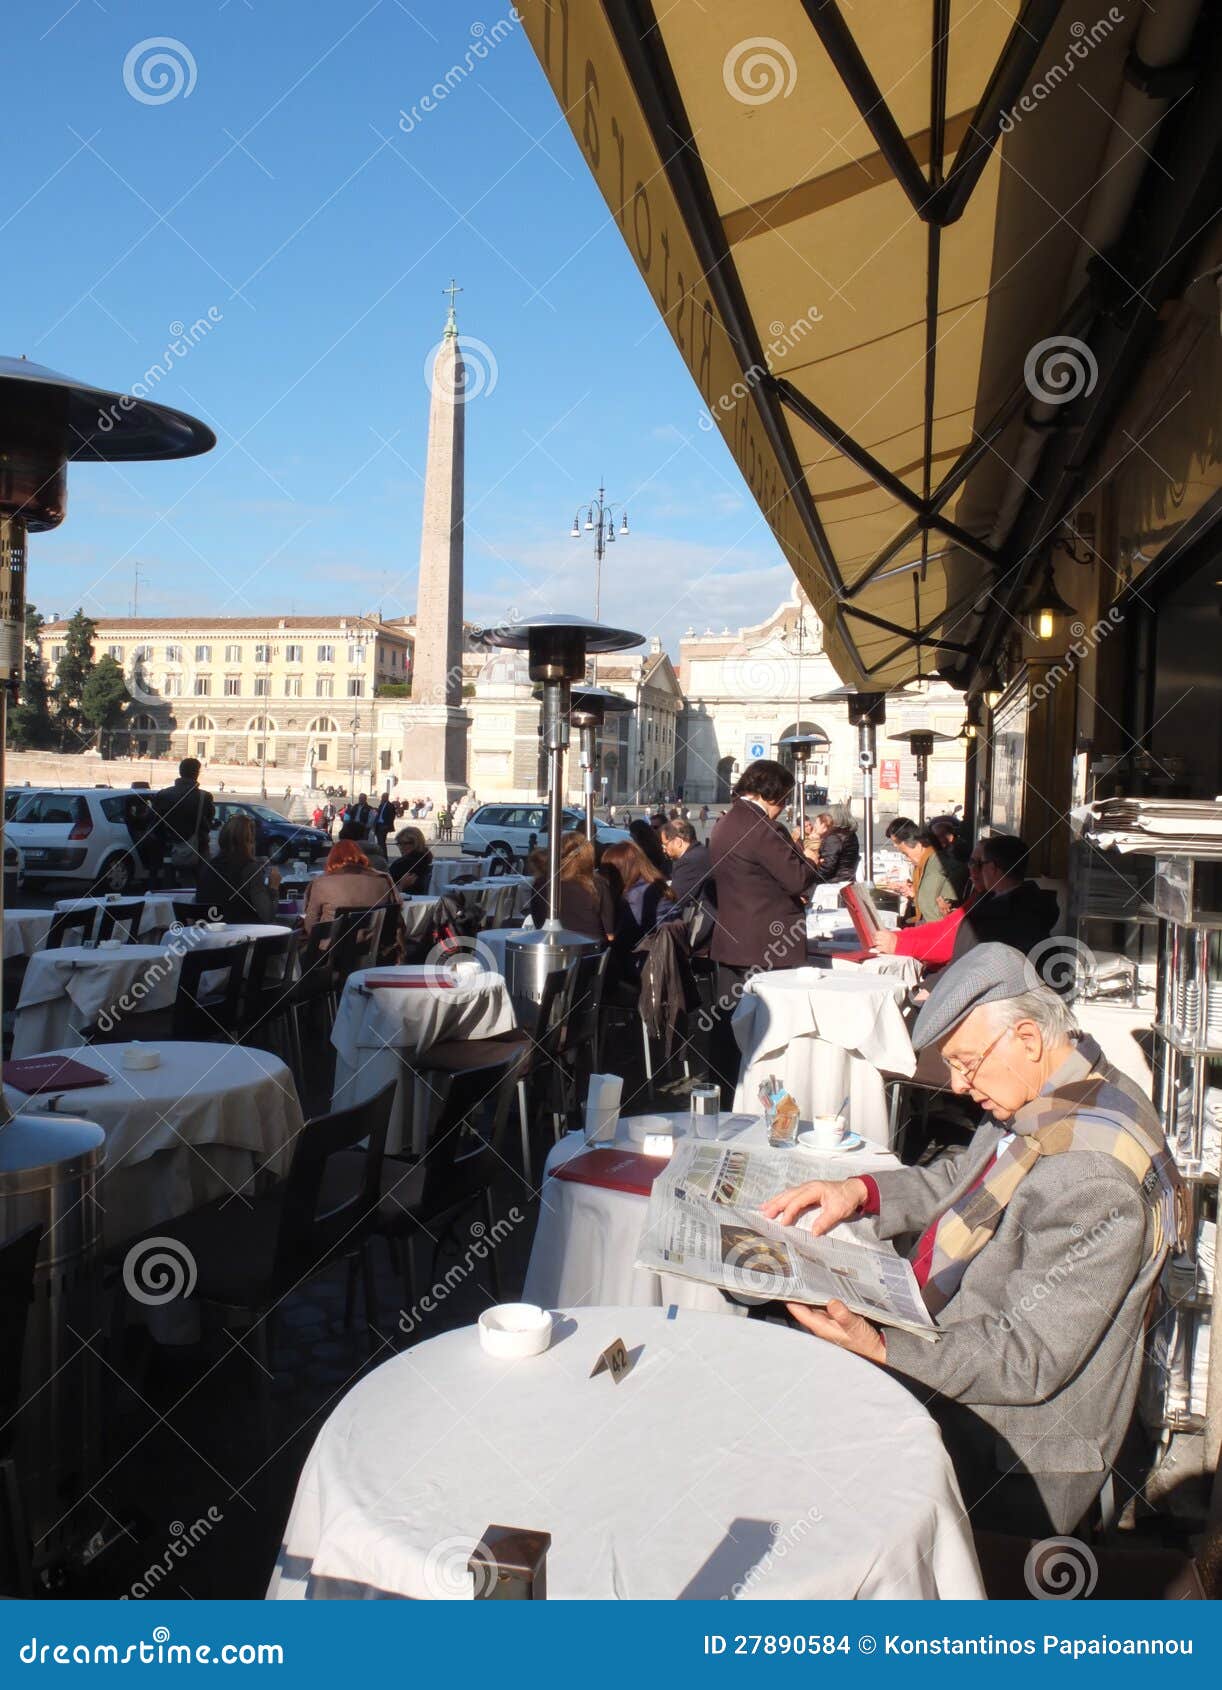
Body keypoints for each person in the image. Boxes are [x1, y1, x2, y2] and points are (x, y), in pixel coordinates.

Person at [761, 944, 1183, 1537]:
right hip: (958, 1340)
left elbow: (1026, 1360)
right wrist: (860, 1191)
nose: (958, 1085)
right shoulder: (1064, 1087)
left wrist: (882, 1345)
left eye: (966, 1061)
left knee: (795, 1442)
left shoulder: (1091, 1177)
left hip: (1011, 1448)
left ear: (1029, 1039)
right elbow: (967, 1176)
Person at [707, 759, 819, 1100]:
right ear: (774, 794)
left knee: (729, 1025)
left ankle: (723, 1096)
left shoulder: (726, 822)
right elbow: (797, 878)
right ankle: (760, 1100)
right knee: (765, 1033)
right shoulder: (760, 827)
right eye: (784, 800)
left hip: (732, 940)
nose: (783, 809)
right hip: (767, 945)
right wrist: (810, 859)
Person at [874, 833, 1059, 969]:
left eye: (979, 863)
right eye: (971, 863)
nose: (973, 871)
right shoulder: (996, 899)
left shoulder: (1004, 909)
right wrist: (899, 937)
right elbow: (947, 928)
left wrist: (898, 944)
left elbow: (954, 945)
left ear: (993, 868)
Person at [526, 833, 617, 942]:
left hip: (553, 946)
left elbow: (539, 923)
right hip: (591, 950)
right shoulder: (597, 884)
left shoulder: (543, 883)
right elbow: (609, 931)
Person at [302, 839, 400, 938]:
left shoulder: (321, 883)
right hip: (374, 946)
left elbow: (311, 925)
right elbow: (393, 918)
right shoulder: (383, 881)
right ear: (361, 856)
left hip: (330, 947)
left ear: (331, 859)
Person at [197, 814, 280, 924]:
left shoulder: (209, 866)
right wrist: (273, 887)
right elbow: (268, 916)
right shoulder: (250, 869)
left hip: (209, 934)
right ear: (249, 842)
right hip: (243, 935)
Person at [148, 757, 215, 890]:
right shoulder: (205, 797)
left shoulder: (163, 795)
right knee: (201, 888)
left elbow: (154, 824)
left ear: (180, 772)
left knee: (169, 889)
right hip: (199, 849)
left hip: (170, 849)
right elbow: (208, 823)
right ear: (197, 773)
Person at [888, 820, 967, 922]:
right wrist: (913, 892)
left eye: (906, 854)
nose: (907, 859)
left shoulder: (935, 868)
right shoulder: (928, 864)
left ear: (918, 846)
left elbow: (931, 913)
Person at [807, 809, 859, 884]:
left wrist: (812, 880)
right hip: (846, 878)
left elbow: (828, 866)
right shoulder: (850, 834)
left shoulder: (833, 838)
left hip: (835, 881)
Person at [389, 824, 433, 893]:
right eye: (399, 843)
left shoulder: (401, 865)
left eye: (405, 843)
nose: (401, 847)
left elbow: (387, 892)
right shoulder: (426, 859)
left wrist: (400, 886)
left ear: (416, 843)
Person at [374, 790, 396, 855]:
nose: (382, 798)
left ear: (387, 797)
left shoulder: (390, 805)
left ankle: (384, 856)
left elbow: (392, 816)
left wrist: (387, 826)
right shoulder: (381, 805)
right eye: (382, 797)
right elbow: (380, 813)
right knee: (379, 842)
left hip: (384, 825)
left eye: (383, 797)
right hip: (378, 825)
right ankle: (380, 855)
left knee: (382, 842)